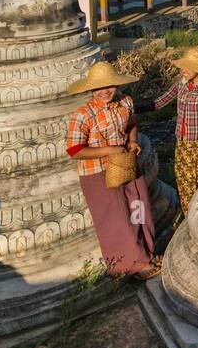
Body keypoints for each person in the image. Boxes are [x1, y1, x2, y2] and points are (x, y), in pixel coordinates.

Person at [65, 61, 160, 279]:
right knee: (116, 218)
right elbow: (74, 150)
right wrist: (108, 150)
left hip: (125, 164)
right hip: (97, 172)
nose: (105, 91)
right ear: (91, 89)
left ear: (116, 86)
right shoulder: (83, 115)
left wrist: (133, 141)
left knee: (139, 207)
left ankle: (147, 253)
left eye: (109, 86)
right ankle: (131, 265)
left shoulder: (125, 103)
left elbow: (132, 123)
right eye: (99, 88)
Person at [152, 47, 198, 217]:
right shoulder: (181, 85)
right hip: (183, 143)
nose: (183, 70)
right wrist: (132, 108)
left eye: (187, 67)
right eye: (182, 66)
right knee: (185, 183)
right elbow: (162, 101)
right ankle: (190, 219)